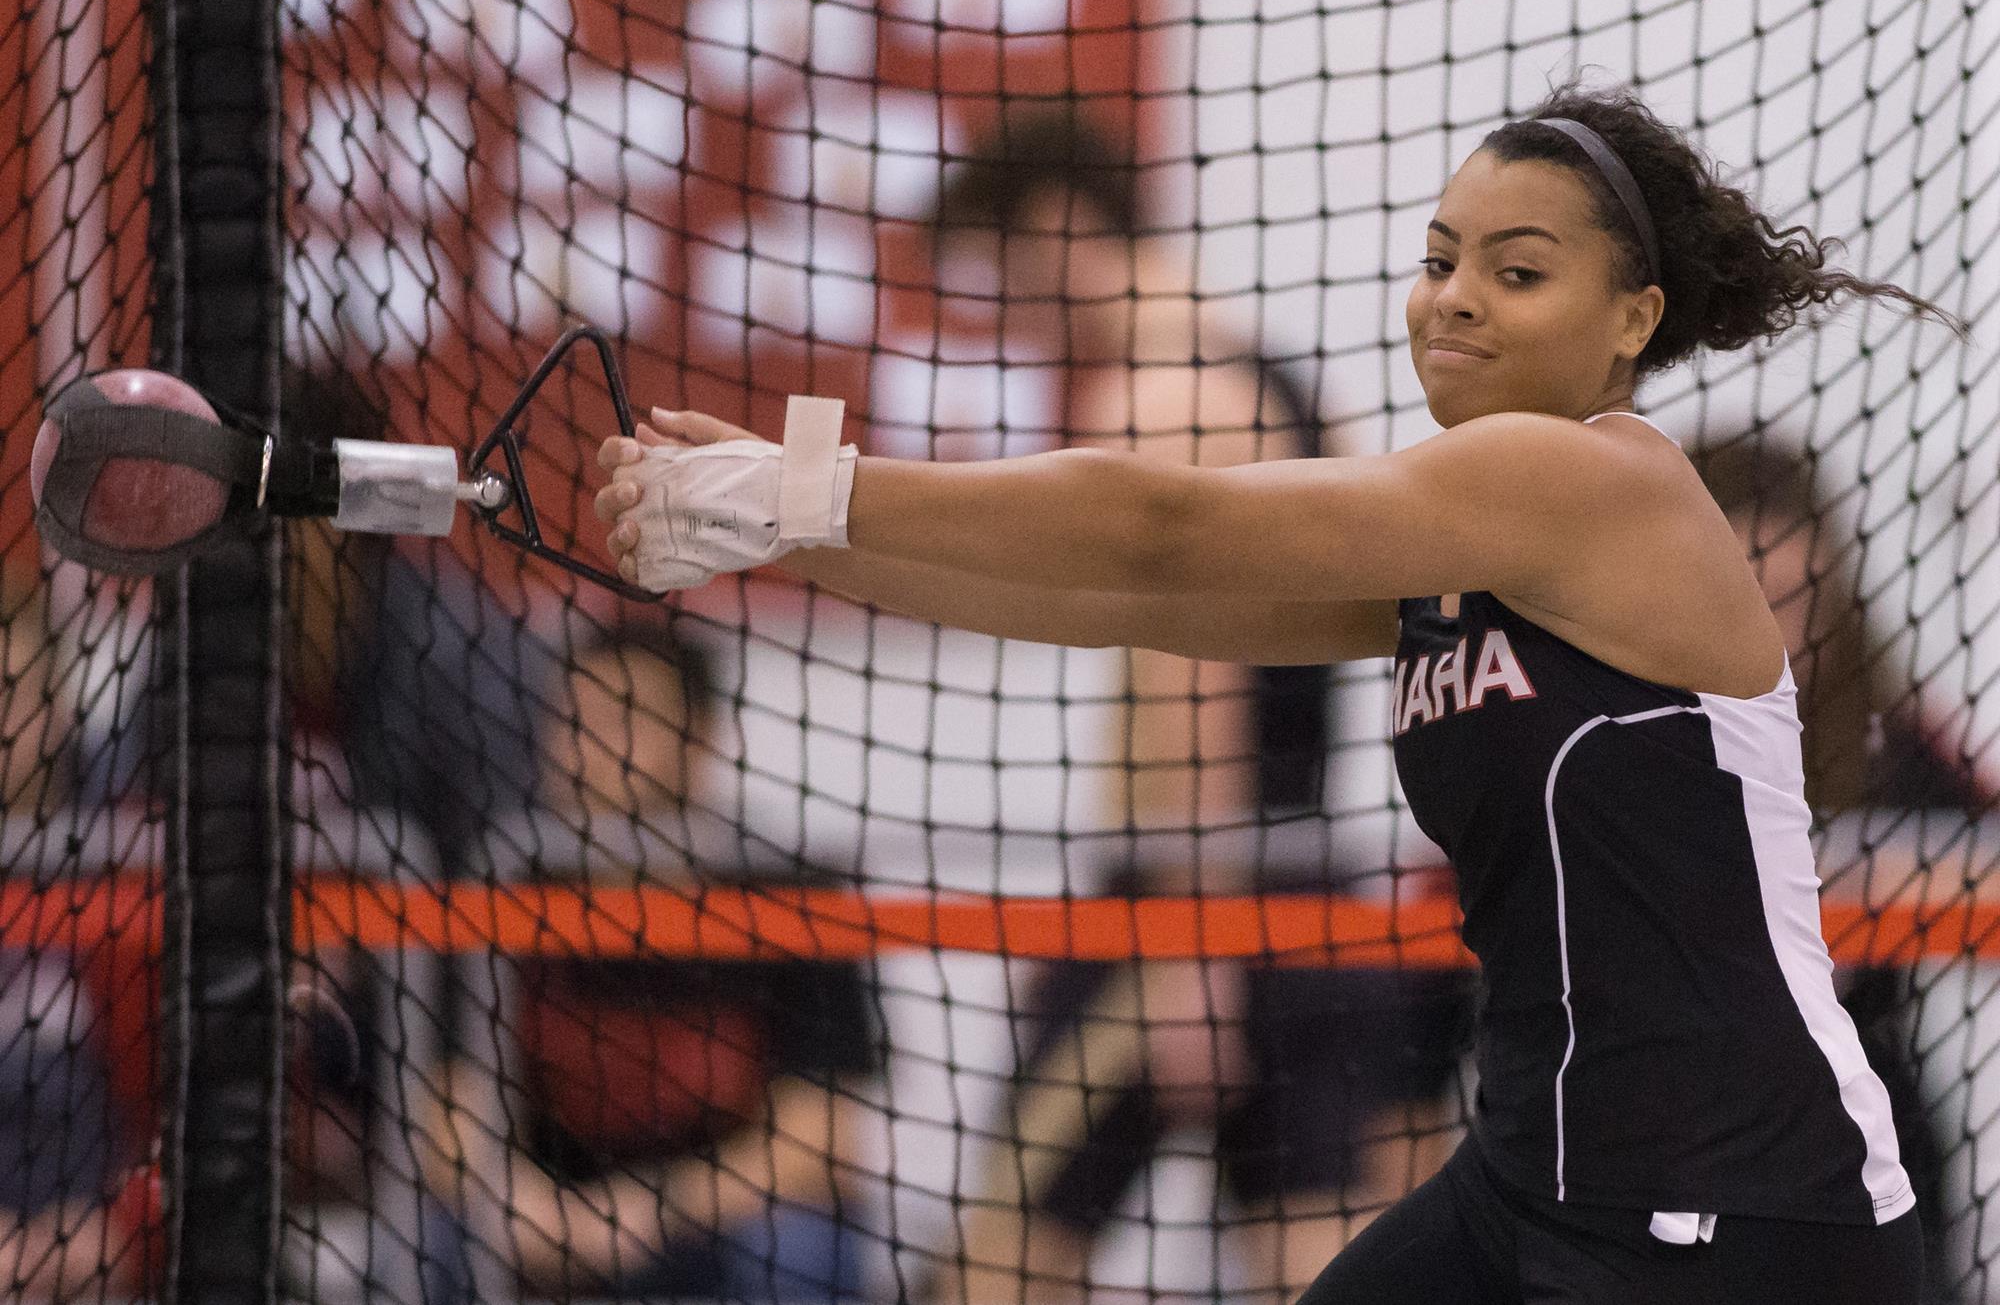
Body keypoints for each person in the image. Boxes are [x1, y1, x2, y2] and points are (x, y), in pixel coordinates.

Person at [597, 78, 1971, 1301]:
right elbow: (1113, 602)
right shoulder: (1465, 549)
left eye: (1518, 270)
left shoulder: (1598, 479)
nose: (1457, 297)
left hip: (1739, 1207)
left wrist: (806, 483)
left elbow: (1161, 529)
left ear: (1634, 318)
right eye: (1438, 261)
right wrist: (795, 539)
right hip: (1532, 1179)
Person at [921, 107, 1469, 1303]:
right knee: (1316, 1268)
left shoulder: (1156, 400)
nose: (1007, 323)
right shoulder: (1281, 383)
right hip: (1311, 896)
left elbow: (1188, 688)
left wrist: (1184, 951)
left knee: (992, 1264)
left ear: (1060, 231)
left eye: (1002, 284)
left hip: (1174, 921)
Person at [422, 622, 881, 1301]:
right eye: (572, 719)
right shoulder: (503, 889)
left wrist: (656, 1209)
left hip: (707, 1226)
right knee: (430, 1233)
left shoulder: (789, 893)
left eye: (623, 719)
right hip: (548, 1216)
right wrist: (525, 1204)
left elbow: (822, 1138)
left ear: (698, 741)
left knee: (803, 1249)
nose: (586, 748)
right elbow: (445, 1111)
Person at [1693, 435, 1987, 1305]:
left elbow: (1977, 847)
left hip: (1867, 1128)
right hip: (1682, 1129)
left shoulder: (1888, 733)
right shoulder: (1628, 728)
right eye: (1749, 596)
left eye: (1793, 597)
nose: (1775, 627)